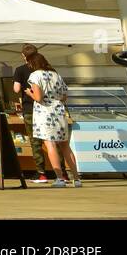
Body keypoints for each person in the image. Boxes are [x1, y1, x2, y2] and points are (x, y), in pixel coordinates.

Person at [26, 52, 80, 187]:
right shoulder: (56, 75)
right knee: (65, 146)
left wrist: (29, 93)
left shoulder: (35, 75)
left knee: (50, 144)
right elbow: (64, 96)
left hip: (45, 112)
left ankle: (60, 178)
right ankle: (77, 179)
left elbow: (38, 98)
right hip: (59, 111)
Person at [13, 44, 51, 183]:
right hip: (49, 108)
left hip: (30, 108)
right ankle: (62, 173)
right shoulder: (48, 70)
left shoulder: (20, 70)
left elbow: (16, 89)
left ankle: (41, 173)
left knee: (35, 142)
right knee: (52, 142)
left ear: (23, 56)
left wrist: (25, 88)